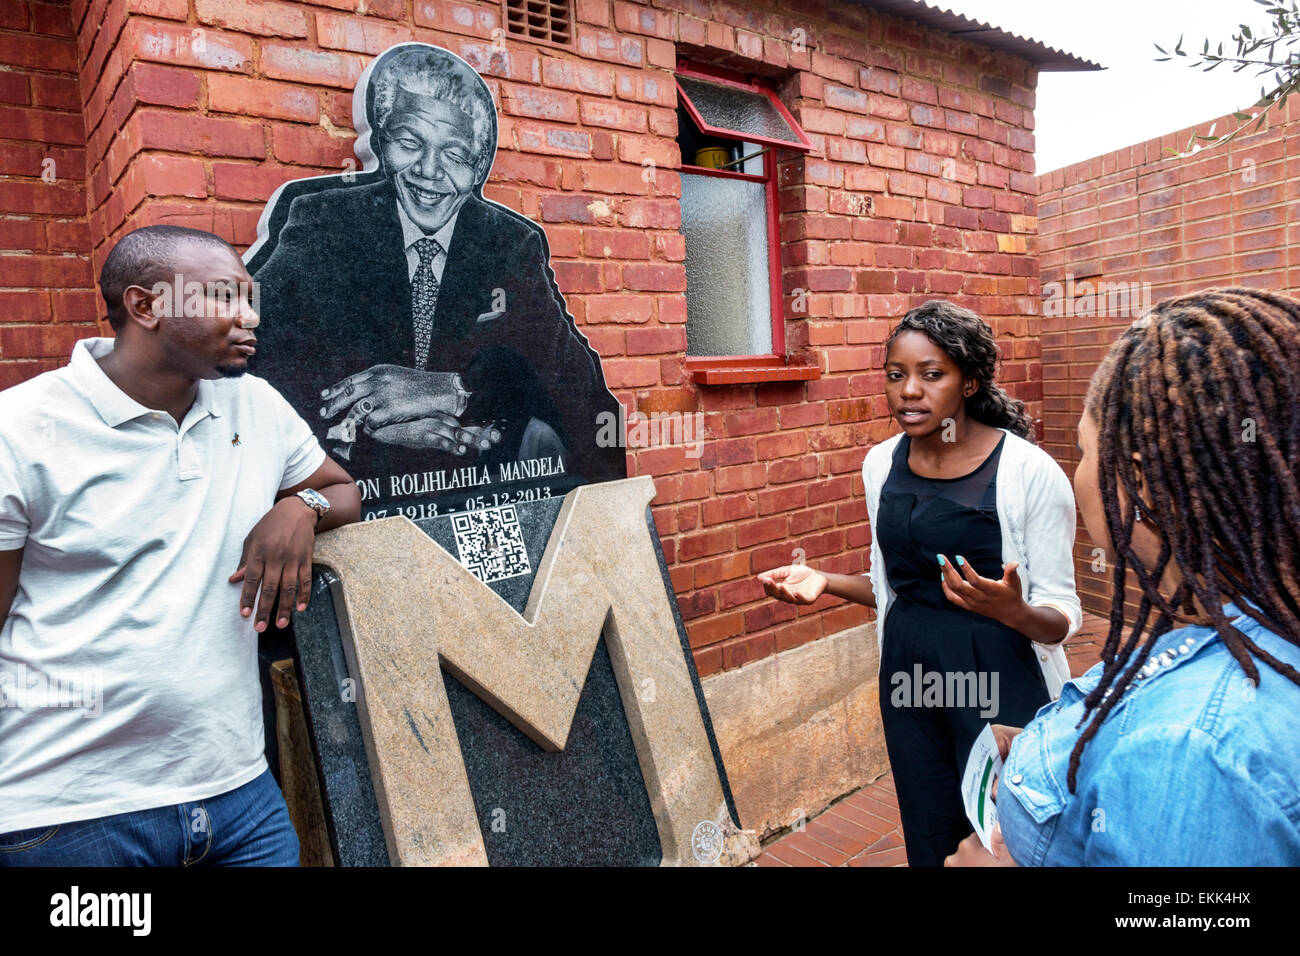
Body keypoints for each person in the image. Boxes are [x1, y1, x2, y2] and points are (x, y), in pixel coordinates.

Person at [0, 225, 361, 866]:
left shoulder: (254, 404)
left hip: (239, 797)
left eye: (251, 299)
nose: (249, 318)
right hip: (68, 817)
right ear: (145, 307)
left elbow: (340, 491)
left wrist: (298, 506)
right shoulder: (21, 428)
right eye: (224, 298)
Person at [945, 287, 1300, 866]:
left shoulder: (1191, 753)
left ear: (1139, 485)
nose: (1077, 470)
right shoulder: (1246, 617)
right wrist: (1051, 743)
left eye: (1085, 451)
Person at [760, 300, 1082, 867]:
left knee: (1009, 837)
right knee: (929, 829)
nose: (909, 390)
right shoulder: (880, 464)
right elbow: (896, 588)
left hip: (1001, 674)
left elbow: (1061, 612)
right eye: (896, 375)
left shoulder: (1029, 473)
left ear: (970, 382)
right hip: (909, 676)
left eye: (931, 374)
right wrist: (826, 581)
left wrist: (1016, 612)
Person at [248, 42, 623, 507]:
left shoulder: (510, 245)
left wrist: (455, 391)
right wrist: (373, 424)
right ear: (382, 141)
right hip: (354, 516)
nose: (429, 171)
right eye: (409, 142)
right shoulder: (320, 220)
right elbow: (252, 366)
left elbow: (578, 393)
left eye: (455, 154)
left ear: (479, 162)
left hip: (478, 507)